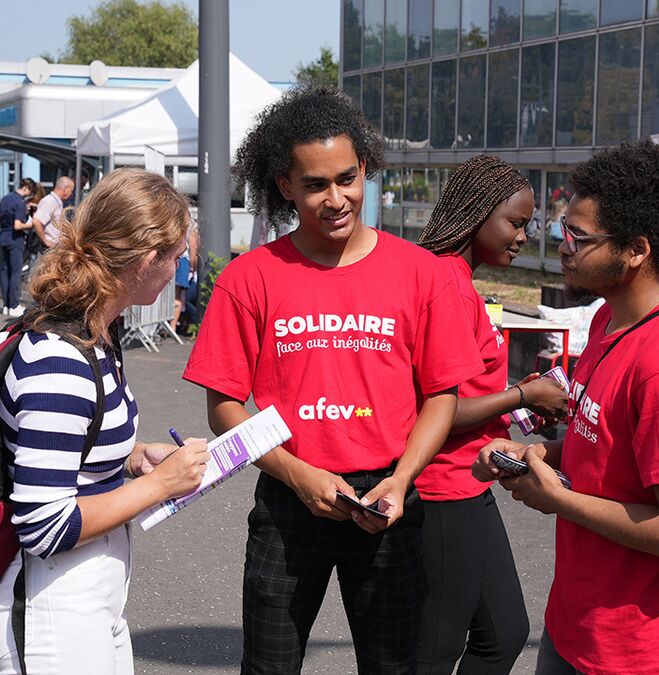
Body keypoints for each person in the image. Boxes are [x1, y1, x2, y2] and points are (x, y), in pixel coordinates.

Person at [179, 85, 483, 674]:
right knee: (268, 666)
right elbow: (223, 408)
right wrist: (296, 474)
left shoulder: (423, 274)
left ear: (365, 167)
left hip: (388, 501)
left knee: (394, 666)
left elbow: (441, 396)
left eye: (347, 178)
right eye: (315, 184)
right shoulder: (249, 278)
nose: (336, 198)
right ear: (284, 186)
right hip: (289, 498)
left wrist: (402, 478)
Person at [474, 140, 659, 675]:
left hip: (637, 650)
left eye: (579, 238)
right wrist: (538, 452)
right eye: (564, 230)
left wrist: (557, 501)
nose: (563, 247)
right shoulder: (611, 322)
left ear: (635, 250)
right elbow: (603, 442)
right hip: (578, 624)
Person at [0, 168, 209, 673]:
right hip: (52, 602)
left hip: (86, 595)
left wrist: (136, 458)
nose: (180, 268)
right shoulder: (61, 358)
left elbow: (71, 445)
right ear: (148, 259)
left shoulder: (95, 335)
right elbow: (44, 525)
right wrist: (161, 486)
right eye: (175, 257)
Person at [414, 155, 569, 674]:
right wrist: (524, 398)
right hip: (441, 490)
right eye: (517, 223)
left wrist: (515, 394)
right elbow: (437, 408)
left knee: (504, 633)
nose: (524, 236)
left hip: (470, 481)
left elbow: (462, 385)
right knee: (435, 650)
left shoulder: (455, 278)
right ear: (478, 212)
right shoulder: (444, 282)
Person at [0, 178, 37, 317]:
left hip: (3, 236)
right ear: (26, 188)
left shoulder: (5, 199)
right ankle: (14, 305)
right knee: (15, 272)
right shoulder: (20, 202)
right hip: (15, 239)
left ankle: (6, 305)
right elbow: (18, 225)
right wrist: (33, 224)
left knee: (5, 272)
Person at [31, 176, 74, 250]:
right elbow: (36, 221)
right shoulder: (49, 201)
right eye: (71, 191)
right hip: (47, 249)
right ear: (66, 189)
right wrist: (46, 241)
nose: (71, 194)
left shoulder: (56, 202)